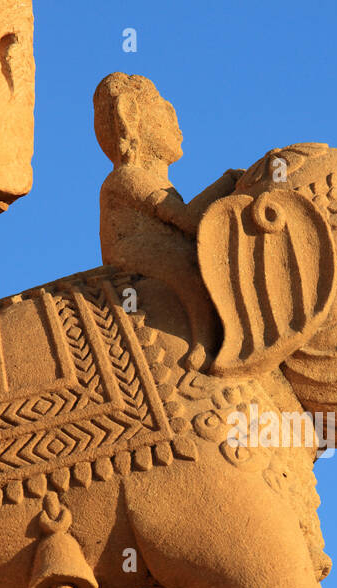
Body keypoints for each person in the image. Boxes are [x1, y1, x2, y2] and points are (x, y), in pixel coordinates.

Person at [93, 73, 240, 370]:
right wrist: (229, 181)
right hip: (134, 249)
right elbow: (188, 220)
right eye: (166, 111)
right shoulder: (128, 177)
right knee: (190, 268)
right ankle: (206, 342)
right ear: (130, 115)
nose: (177, 124)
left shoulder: (160, 185)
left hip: (158, 244)